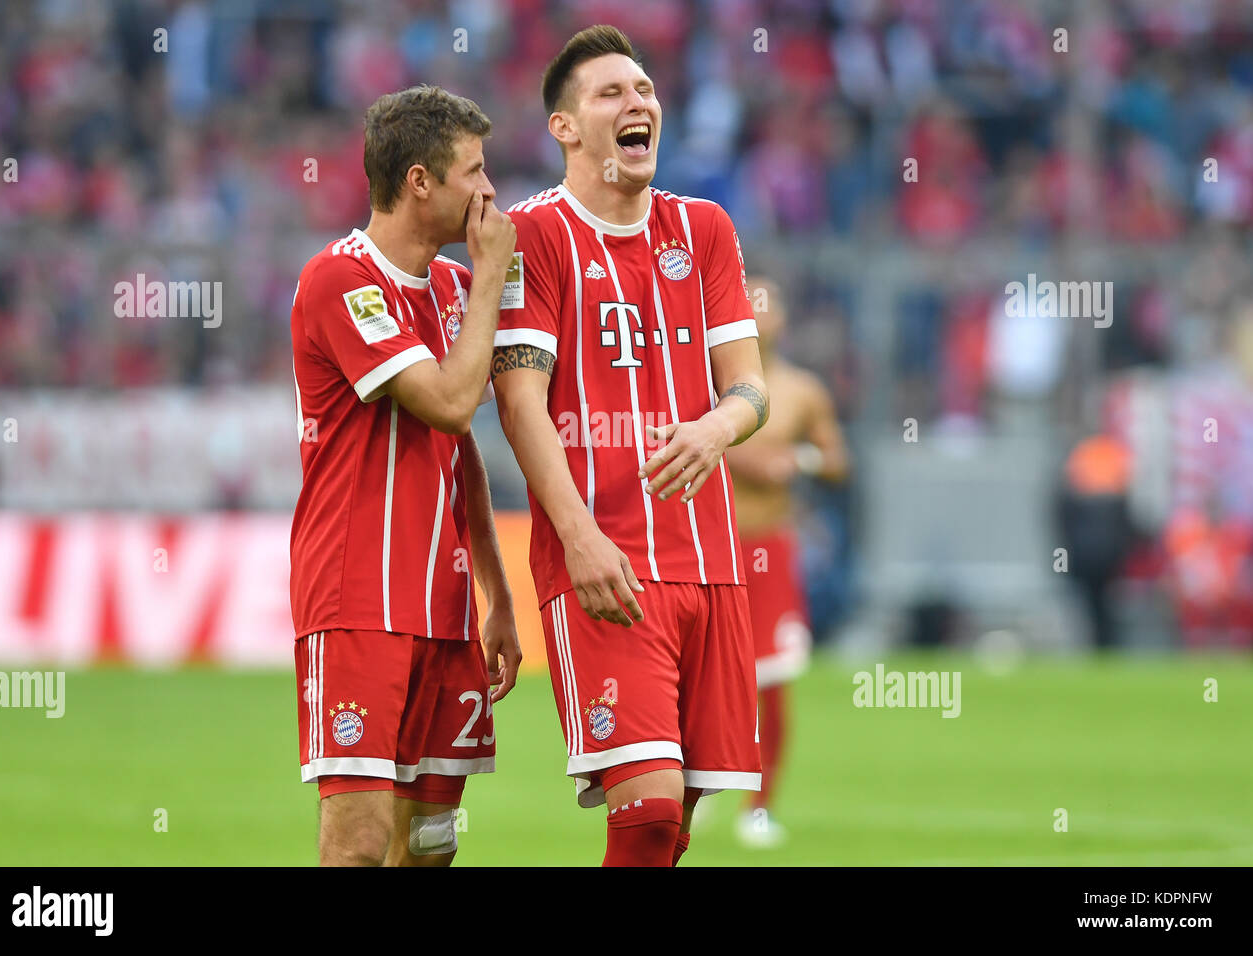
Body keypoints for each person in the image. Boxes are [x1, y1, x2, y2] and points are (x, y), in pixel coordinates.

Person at [490, 25, 769, 867]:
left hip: (710, 562)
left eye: (644, 90)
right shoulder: (530, 236)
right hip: (605, 562)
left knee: (673, 829)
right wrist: (577, 537)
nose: (637, 103)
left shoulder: (705, 228)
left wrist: (713, 428)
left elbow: (751, 390)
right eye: (611, 93)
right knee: (643, 814)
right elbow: (517, 400)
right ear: (565, 128)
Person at [289, 85, 521, 867]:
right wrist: (492, 275)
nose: (489, 192)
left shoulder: (455, 292)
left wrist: (497, 595)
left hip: (446, 609)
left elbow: (463, 457)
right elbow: (454, 406)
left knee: (429, 845)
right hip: (357, 601)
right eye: (474, 172)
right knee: (356, 848)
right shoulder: (341, 281)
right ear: (419, 181)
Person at [725, 274, 849, 847]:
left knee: (771, 681)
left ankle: (760, 806)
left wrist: (793, 462)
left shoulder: (802, 390)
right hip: (711, 544)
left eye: (767, 307)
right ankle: (688, 787)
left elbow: (836, 460)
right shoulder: (704, 381)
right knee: (693, 678)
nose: (758, 316)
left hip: (770, 547)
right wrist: (746, 462)